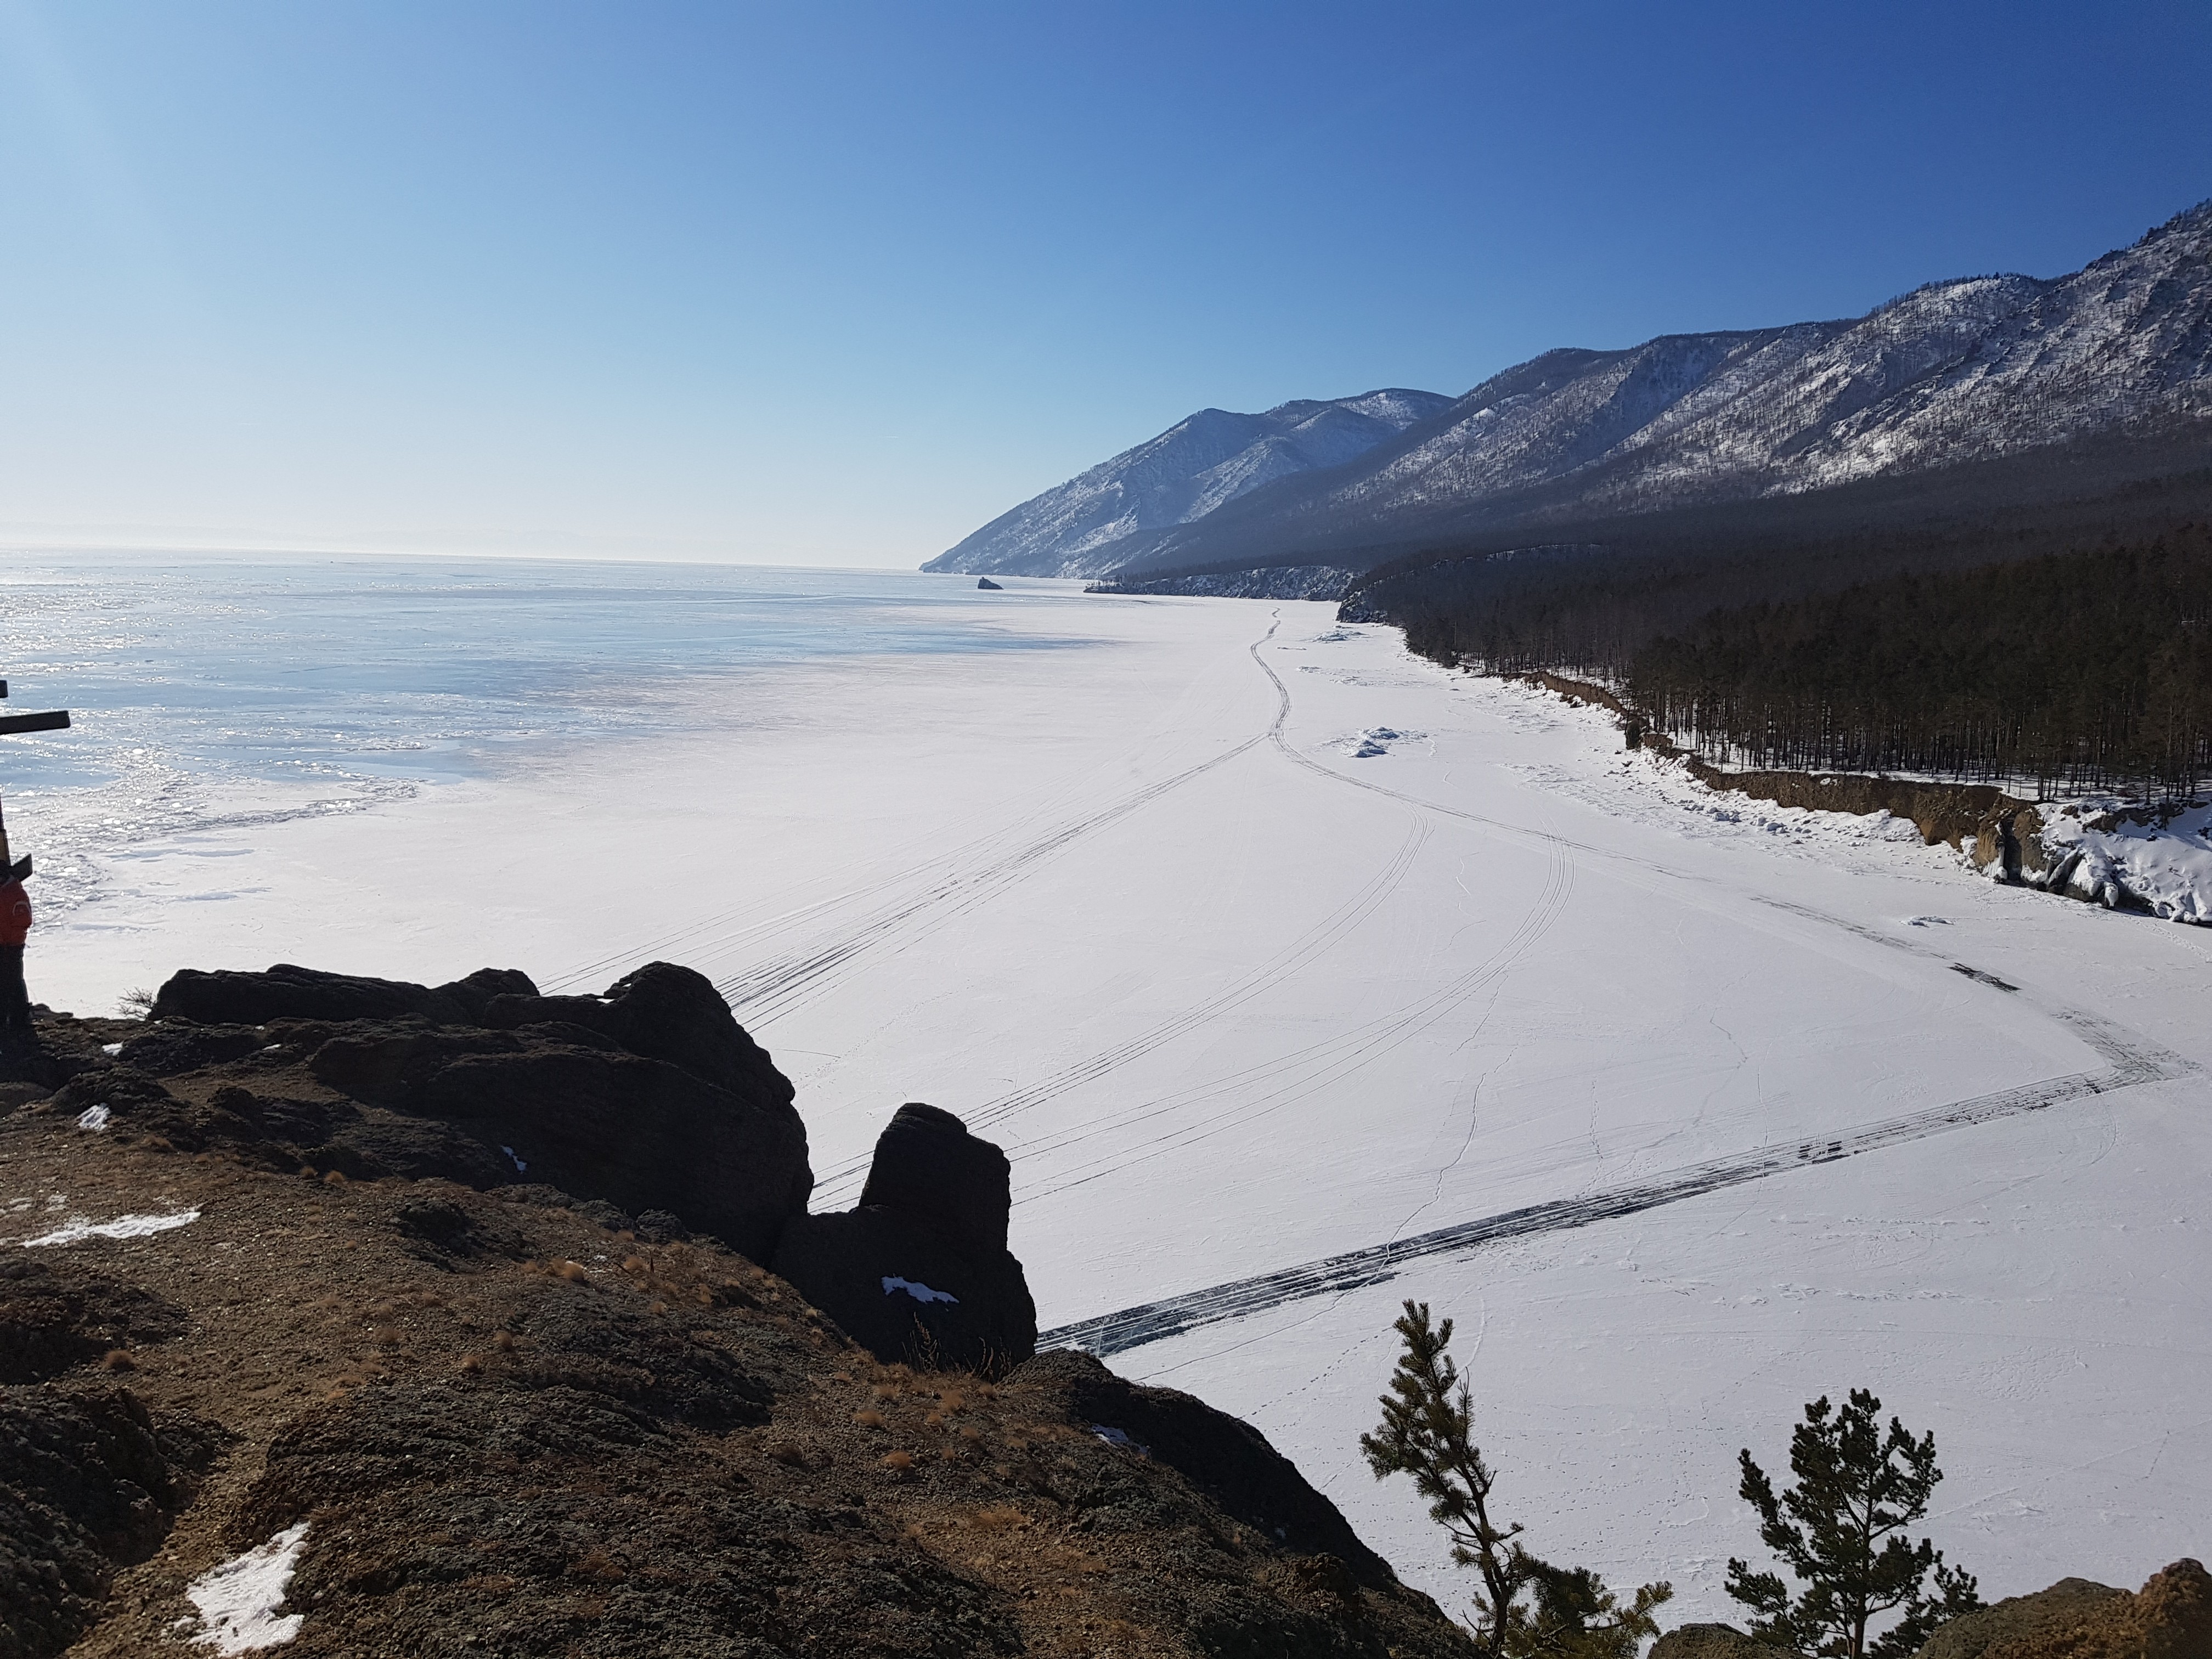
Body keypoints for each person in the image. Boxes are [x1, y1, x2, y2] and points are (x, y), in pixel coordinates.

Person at [0, 868, 31, 1036]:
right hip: (7, 944)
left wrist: (8, 940)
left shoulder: (15, 893)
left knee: (13, 981)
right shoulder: (12, 891)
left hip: (12, 946)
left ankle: (19, 1019)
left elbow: (24, 920)